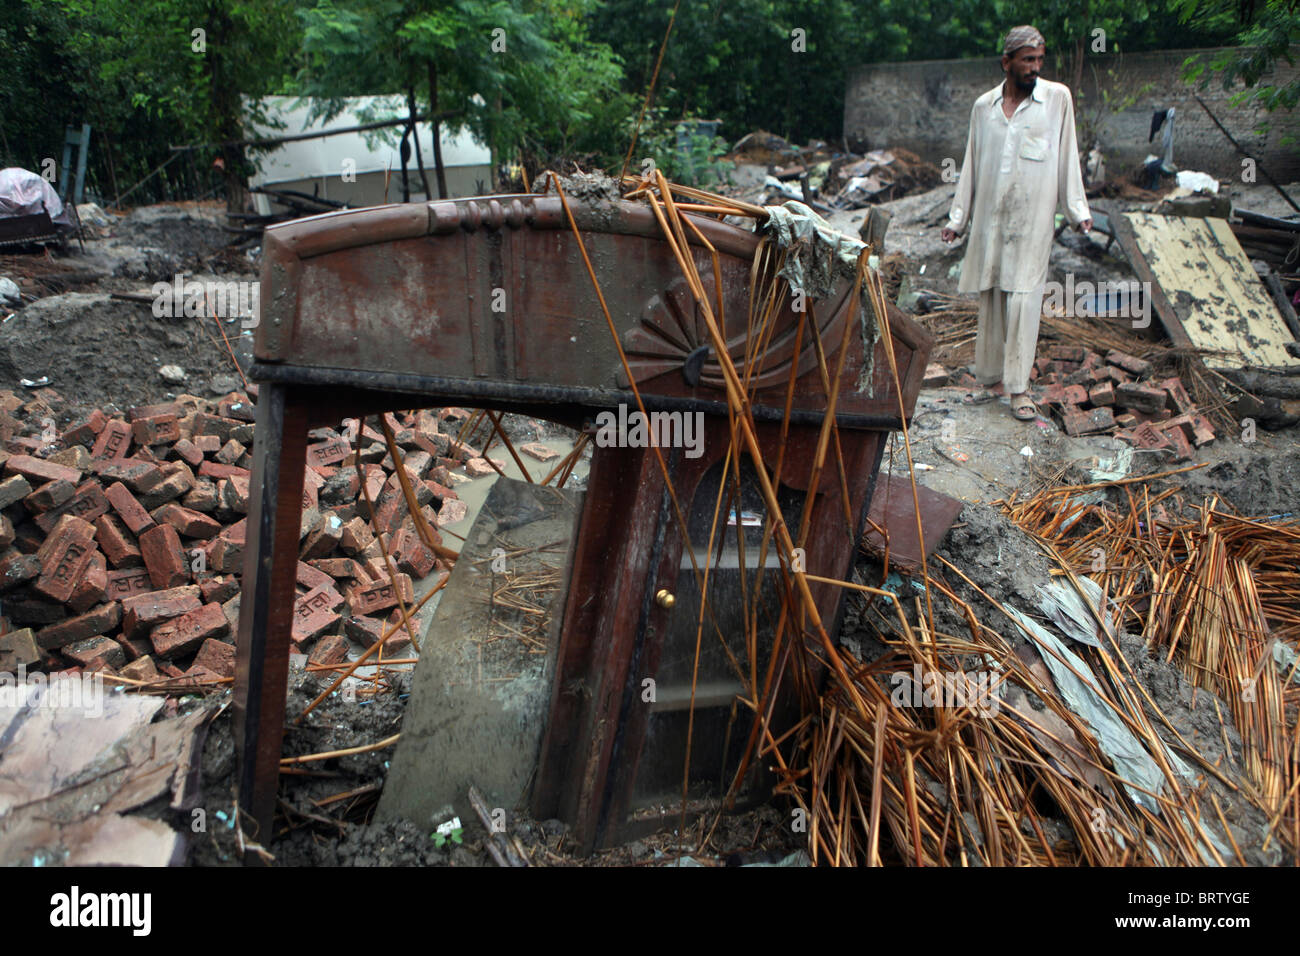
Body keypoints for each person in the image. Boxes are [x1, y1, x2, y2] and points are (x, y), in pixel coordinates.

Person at [940, 25, 1093, 421]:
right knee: (991, 293)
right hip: (991, 219)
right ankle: (990, 381)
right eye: (1028, 59)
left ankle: (1019, 389)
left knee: (1024, 298)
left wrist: (1077, 210)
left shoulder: (1056, 99)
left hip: (1033, 219)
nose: (1035, 67)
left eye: (1040, 59)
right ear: (1006, 62)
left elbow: (1067, 155)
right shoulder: (983, 107)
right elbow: (971, 162)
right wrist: (958, 219)